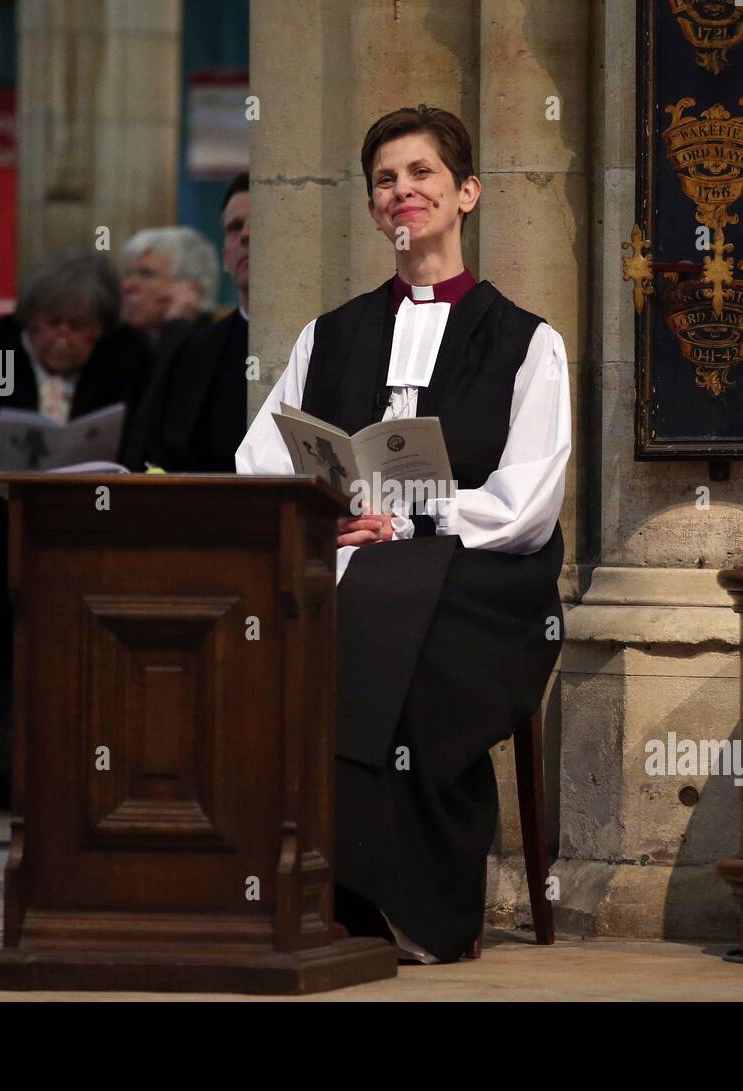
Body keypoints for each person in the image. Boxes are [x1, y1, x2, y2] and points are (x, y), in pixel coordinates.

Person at [235, 107, 571, 962]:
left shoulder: (529, 342)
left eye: (421, 174)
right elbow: (260, 458)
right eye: (385, 180)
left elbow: (528, 500)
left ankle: (402, 898)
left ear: (466, 194)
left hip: (484, 575)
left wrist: (423, 516)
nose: (401, 192)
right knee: (279, 609)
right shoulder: (330, 334)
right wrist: (332, 519)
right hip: (349, 556)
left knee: (401, 615)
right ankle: (279, 872)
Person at [0, 248, 153, 808]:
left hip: (91, 532)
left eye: (81, 328)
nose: (64, 338)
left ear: (101, 328)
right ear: (30, 320)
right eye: (52, 325)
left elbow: (147, 445)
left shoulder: (129, 358)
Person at [121, 174, 250, 471]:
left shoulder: (321, 338)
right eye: (233, 228)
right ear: (224, 254)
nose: (245, 235)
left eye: (145, 274)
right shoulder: (193, 352)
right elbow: (151, 454)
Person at [118, 225, 221, 352]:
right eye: (128, 273)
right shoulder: (116, 346)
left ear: (189, 287)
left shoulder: (215, 350)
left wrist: (177, 325)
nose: (127, 286)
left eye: (146, 274)